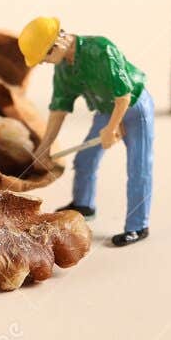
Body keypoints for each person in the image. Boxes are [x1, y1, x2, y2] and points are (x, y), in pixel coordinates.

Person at [20, 16, 153, 247]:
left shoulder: (101, 49)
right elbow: (59, 109)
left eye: (45, 57)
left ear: (58, 43)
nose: (45, 63)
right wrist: (45, 146)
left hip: (133, 107)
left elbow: (123, 96)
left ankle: (137, 226)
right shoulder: (63, 69)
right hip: (105, 109)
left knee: (138, 167)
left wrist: (112, 129)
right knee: (85, 159)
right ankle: (84, 205)